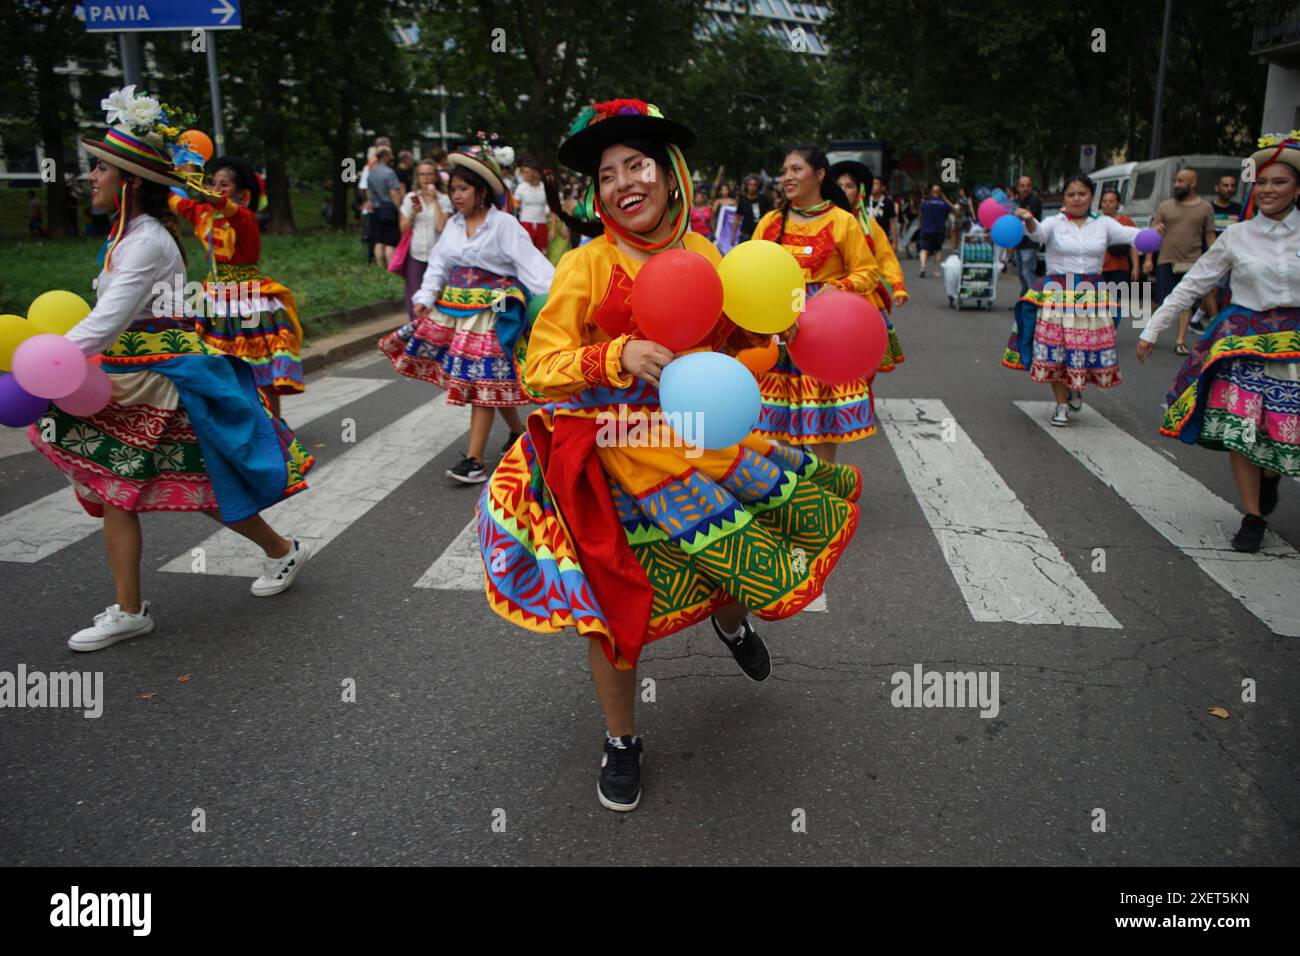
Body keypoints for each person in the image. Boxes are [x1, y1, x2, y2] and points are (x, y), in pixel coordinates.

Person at [478, 99, 861, 812]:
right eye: (609, 172)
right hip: (609, 463)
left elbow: (728, 349)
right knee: (611, 608)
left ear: (670, 174)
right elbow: (539, 368)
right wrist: (616, 352)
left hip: (697, 442)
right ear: (596, 193)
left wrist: (780, 339)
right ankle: (621, 738)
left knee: (729, 552)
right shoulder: (583, 265)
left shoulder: (706, 256)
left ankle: (729, 620)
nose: (626, 181)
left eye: (639, 164)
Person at [28, 89, 314, 651]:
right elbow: (108, 325)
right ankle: (131, 609)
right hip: (127, 376)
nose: (91, 177)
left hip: (162, 380)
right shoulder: (128, 235)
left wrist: (43, 362)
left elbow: (107, 321)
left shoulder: (147, 242)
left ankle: (282, 550)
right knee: (120, 491)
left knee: (207, 487)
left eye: (101, 168)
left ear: (129, 182)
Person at [1137, 135, 1300, 553]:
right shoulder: (1237, 236)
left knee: (1283, 432)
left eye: (1278, 182)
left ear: (1297, 189)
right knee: (1241, 429)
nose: (1267, 189)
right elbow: (1194, 283)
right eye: (1261, 182)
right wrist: (1153, 328)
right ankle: (1252, 516)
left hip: (1295, 347)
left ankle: (1269, 477)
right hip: (1244, 345)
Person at [378, 140, 554, 483]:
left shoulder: (503, 224)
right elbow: (439, 263)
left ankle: (474, 460)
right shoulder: (455, 226)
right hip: (459, 309)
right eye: (453, 189)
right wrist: (425, 296)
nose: (456, 196)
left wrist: (560, 300)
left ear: (481, 192)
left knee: (479, 379)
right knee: (487, 379)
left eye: (463, 189)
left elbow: (534, 266)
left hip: (496, 309)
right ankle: (519, 432)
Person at [754, 145, 881, 463]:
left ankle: (825, 485)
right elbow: (750, 267)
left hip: (822, 331)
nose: (787, 177)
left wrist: (836, 289)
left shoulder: (842, 221)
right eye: (784, 171)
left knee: (822, 417)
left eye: (796, 169)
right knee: (776, 414)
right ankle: (791, 485)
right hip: (776, 327)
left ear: (820, 174)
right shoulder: (770, 222)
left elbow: (868, 272)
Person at [169, 156, 305, 418]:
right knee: (217, 364)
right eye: (214, 183)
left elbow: (222, 204)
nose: (217, 188)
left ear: (242, 193)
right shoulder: (204, 214)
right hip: (214, 298)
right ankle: (231, 421)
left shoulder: (244, 217)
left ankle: (274, 423)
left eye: (225, 184)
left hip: (247, 299)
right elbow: (174, 202)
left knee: (257, 363)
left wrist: (195, 182)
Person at [1003, 174, 1142, 427]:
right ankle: (1061, 404)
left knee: (1082, 350)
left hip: (1091, 297)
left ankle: (1073, 387)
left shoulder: (1104, 224)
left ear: (1092, 197)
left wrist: (1154, 234)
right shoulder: (1054, 223)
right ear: (1065, 198)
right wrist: (1028, 220)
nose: (1076, 199)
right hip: (1057, 292)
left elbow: (1132, 236)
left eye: (1082, 194)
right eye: (1071, 194)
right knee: (1053, 350)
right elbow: (1037, 234)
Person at [833, 160, 908, 373]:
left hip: (862, 298)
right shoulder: (820, 222)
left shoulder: (868, 225)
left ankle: (860, 405)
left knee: (863, 365)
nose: (843, 190)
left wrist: (897, 285)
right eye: (839, 185)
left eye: (849, 186)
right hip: (826, 298)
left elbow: (885, 257)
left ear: (859, 192)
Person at [1144, 169, 1216, 355]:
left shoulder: (1205, 208)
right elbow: (1152, 234)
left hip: (1192, 261)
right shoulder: (1165, 207)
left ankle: (1180, 340)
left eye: (1181, 181)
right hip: (1166, 260)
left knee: (1185, 301)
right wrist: (1149, 258)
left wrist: (1216, 259)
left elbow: (1209, 236)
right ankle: (1152, 332)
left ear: (1193, 184)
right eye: (1175, 181)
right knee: (1160, 301)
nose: (1176, 185)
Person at [397, 158, 452, 322]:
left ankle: (437, 328)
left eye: (429, 174)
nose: (426, 178)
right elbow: (402, 228)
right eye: (422, 174)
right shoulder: (410, 198)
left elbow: (441, 227)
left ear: (435, 176)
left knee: (438, 293)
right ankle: (416, 330)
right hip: (417, 252)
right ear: (417, 177)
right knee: (415, 293)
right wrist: (413, 214)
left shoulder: (444, 199)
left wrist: (434, 200)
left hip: (438, 253)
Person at [1099, 188, 1139, 290]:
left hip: (1119, 269)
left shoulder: (1126, 222)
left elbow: (1133, 246)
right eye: (1104, 201)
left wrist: (1135, 267)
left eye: (1111, 201)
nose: (1107, 204)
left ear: (1118, 204)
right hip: (1099, 269)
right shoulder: (1096, 222)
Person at [1013, 175, 1044, 301]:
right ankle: (1025, 299)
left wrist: (1017, 212)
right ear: (1018, 188)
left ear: (1031, 187)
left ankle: (1037, 299)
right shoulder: (1018, 202)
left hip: (1030, 244)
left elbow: (1029, 217)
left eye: (1028, 186)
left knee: (1028, 272)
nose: (1025, 188)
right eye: (1022, 186)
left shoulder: (1034, 201)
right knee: (1021, 273)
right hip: (1019, 243)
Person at [512, 157, 550, 252]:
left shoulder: (545, 187)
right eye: (523, 172)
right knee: (525, 252)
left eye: (527, 172)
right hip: (525, 223)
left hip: (542, 224)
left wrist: (553, 228)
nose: (524, 175)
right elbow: (514, 207)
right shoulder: (521, 187)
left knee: (542, 254)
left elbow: (553, 209)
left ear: (535, 173)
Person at [917, 184, 952, 276]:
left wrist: (921, 225)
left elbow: (920, 215)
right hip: (939, 230)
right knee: (938, 250)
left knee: (924, 249)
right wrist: (945, 199)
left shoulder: (925, 203)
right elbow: (954, 209)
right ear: (940, 193)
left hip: (926, 229)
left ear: (931, 192)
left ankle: (922, 267)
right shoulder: (943, 204)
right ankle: (936, 270)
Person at [736, 175, 771, 242]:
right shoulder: (742, 200)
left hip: (760, 234)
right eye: (750, 184)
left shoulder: (764, 200)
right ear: (746, 186)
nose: (752, 187)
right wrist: (733, 234)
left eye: (754, 185)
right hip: (745, 234)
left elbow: (769, 216)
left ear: (758, 187)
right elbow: (737, 218)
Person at [867, 176, 897, 246]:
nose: (873, 186)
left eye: (876, 184)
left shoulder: (888, 202)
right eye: (872, 184)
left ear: (882, 187)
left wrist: (895, 243)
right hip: (867, 238)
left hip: (883, 240)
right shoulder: (865, 201)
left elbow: (892, 223)